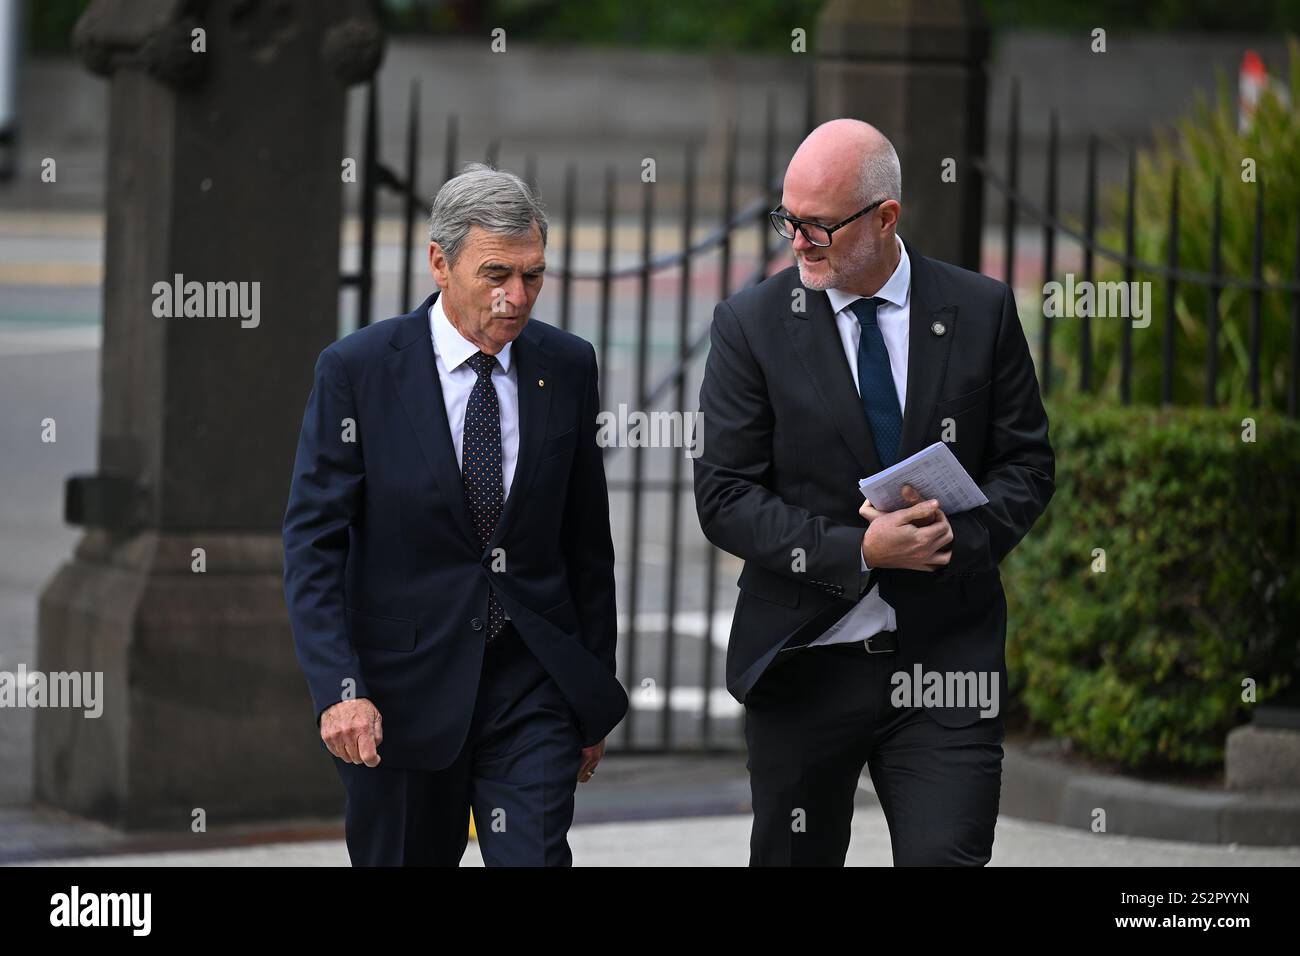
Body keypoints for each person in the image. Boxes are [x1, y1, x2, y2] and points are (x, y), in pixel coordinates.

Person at [693, 119, 1055, 866]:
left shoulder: (981, 310)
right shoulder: (750, 325)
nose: (796, 241)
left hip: (945, 667)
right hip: (804, 663)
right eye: (787, 220)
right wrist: (858, 549)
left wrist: (954, 541)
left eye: (817, 226)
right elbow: (724, 494)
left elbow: (1026, 465)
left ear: (885, 217)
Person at [283, 163, 628, 866]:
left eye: (533, 276)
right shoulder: (358, 371)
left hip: (530, 684)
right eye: (497, 273)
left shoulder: (565, 365)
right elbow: (314, 545)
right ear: (440, 263)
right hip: (399, 698)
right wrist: (339, 691)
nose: (517, 297)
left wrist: (590, 693)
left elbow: (587, 541)